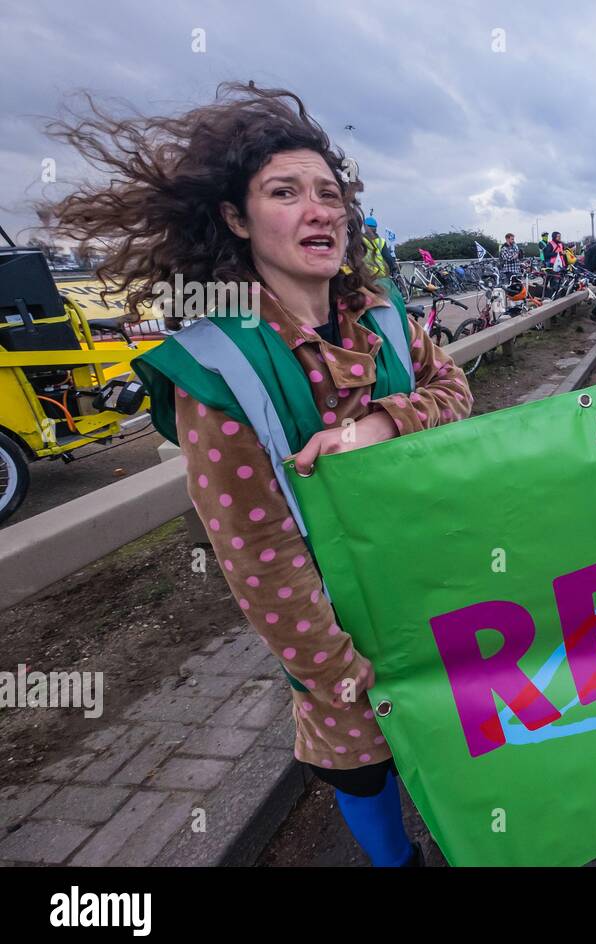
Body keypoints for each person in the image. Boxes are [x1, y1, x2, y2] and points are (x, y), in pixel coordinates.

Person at [40, 82, 473, 867]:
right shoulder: (217, 369)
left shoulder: (385, 318)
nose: (320, 211)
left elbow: (456, 393)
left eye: (329, 193)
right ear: (238, 220)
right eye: (286, 193)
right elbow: (260, 559)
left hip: (433, 586)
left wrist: (374, 426)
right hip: (337, 627)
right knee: (362, 755)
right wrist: (342, 674)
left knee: (458, 736)